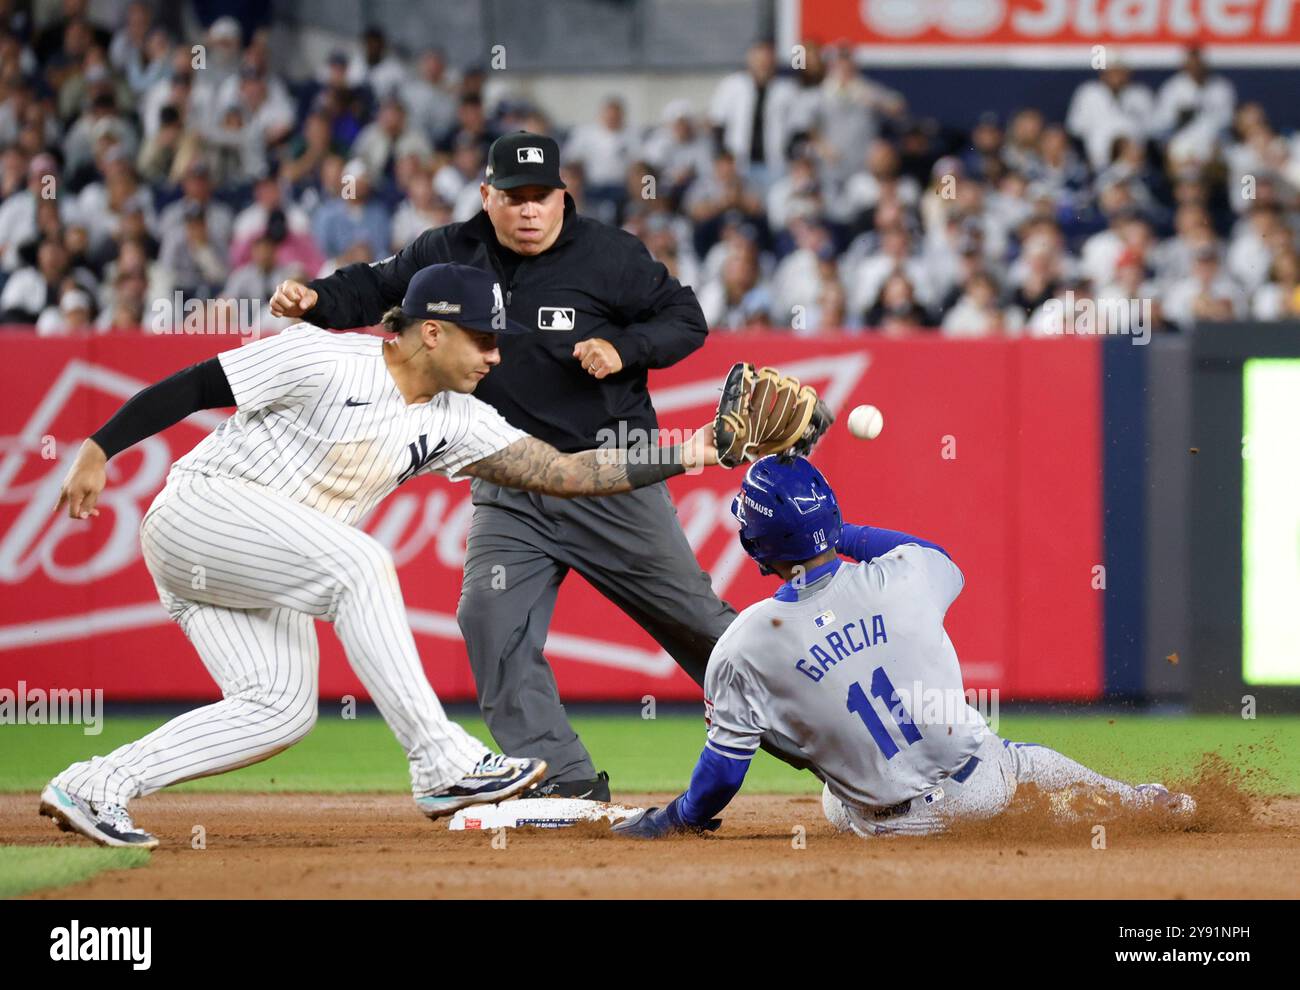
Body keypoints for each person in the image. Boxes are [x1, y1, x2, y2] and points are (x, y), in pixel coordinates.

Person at [40, 263, 720, 850]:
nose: (495, 355)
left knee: (279, 707)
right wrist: (100, 449)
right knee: (360, 565)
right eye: (482, 339)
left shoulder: (460, 416)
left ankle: (96, 784)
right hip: (200, 514)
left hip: (259, 564)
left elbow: (567, 472)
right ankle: (439, 762)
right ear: (432, 331)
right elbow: (191, 386)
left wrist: (687, 453)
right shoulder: (322, 357)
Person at [269, 131, 805, 801]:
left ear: (562, 196)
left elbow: (685, 318)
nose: (528, 211)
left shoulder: (609, 255)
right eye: (513, 197)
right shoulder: (449, 251)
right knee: (488, 621)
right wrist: (315, 301)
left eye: (541, 197)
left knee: (702, 629)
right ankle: (566, 782)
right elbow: (377, 286)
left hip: (612, 475)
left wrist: (624, 345)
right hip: (509, 481)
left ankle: (843, 750)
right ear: (487, 196)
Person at [613, 456, 1195, 839]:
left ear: (754, 544)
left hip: (885, 823)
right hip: (980, 780)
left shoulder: (743, 645)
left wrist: (677, 818)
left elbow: (721, 776)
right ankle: (1139, 802)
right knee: (1011, 759)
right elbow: (929, 551)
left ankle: (1070, 814)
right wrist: (831, 531)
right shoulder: (906, 573)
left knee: (788, 750)